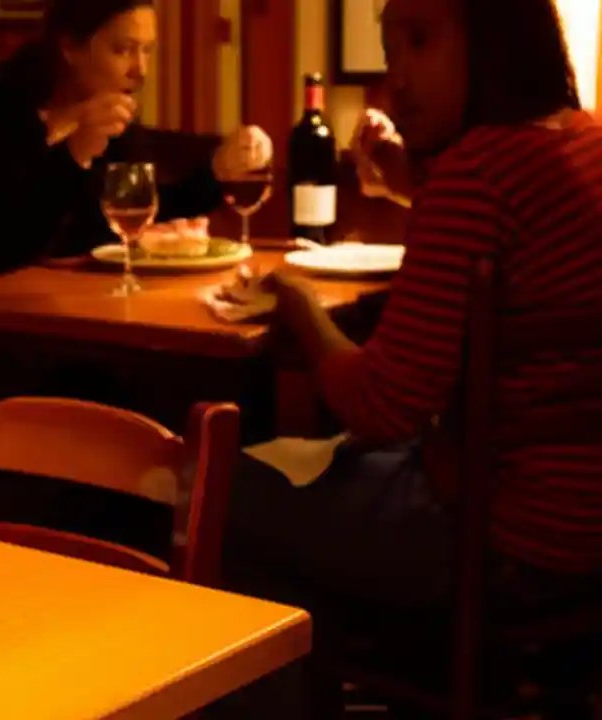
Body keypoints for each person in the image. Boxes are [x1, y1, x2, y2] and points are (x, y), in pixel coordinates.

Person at [217, 0, 602, 715]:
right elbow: (505, 232)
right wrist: (414, 183)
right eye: (390, 52)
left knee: (219, 489)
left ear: (496, 38)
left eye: (420, 42)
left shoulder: (475, 172)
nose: (397, 80)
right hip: (584, 537)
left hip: (502, 543)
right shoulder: (583, 142)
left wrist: (298, 305)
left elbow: (382, 406)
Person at [0, 0, 271, 283]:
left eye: (147, 50)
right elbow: (3, 248)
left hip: (62, 309)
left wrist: (217, 170)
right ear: (70, 45)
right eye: (124, 50)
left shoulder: (110, 112)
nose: (140, 69)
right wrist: (74, 154)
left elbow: (141, 209)